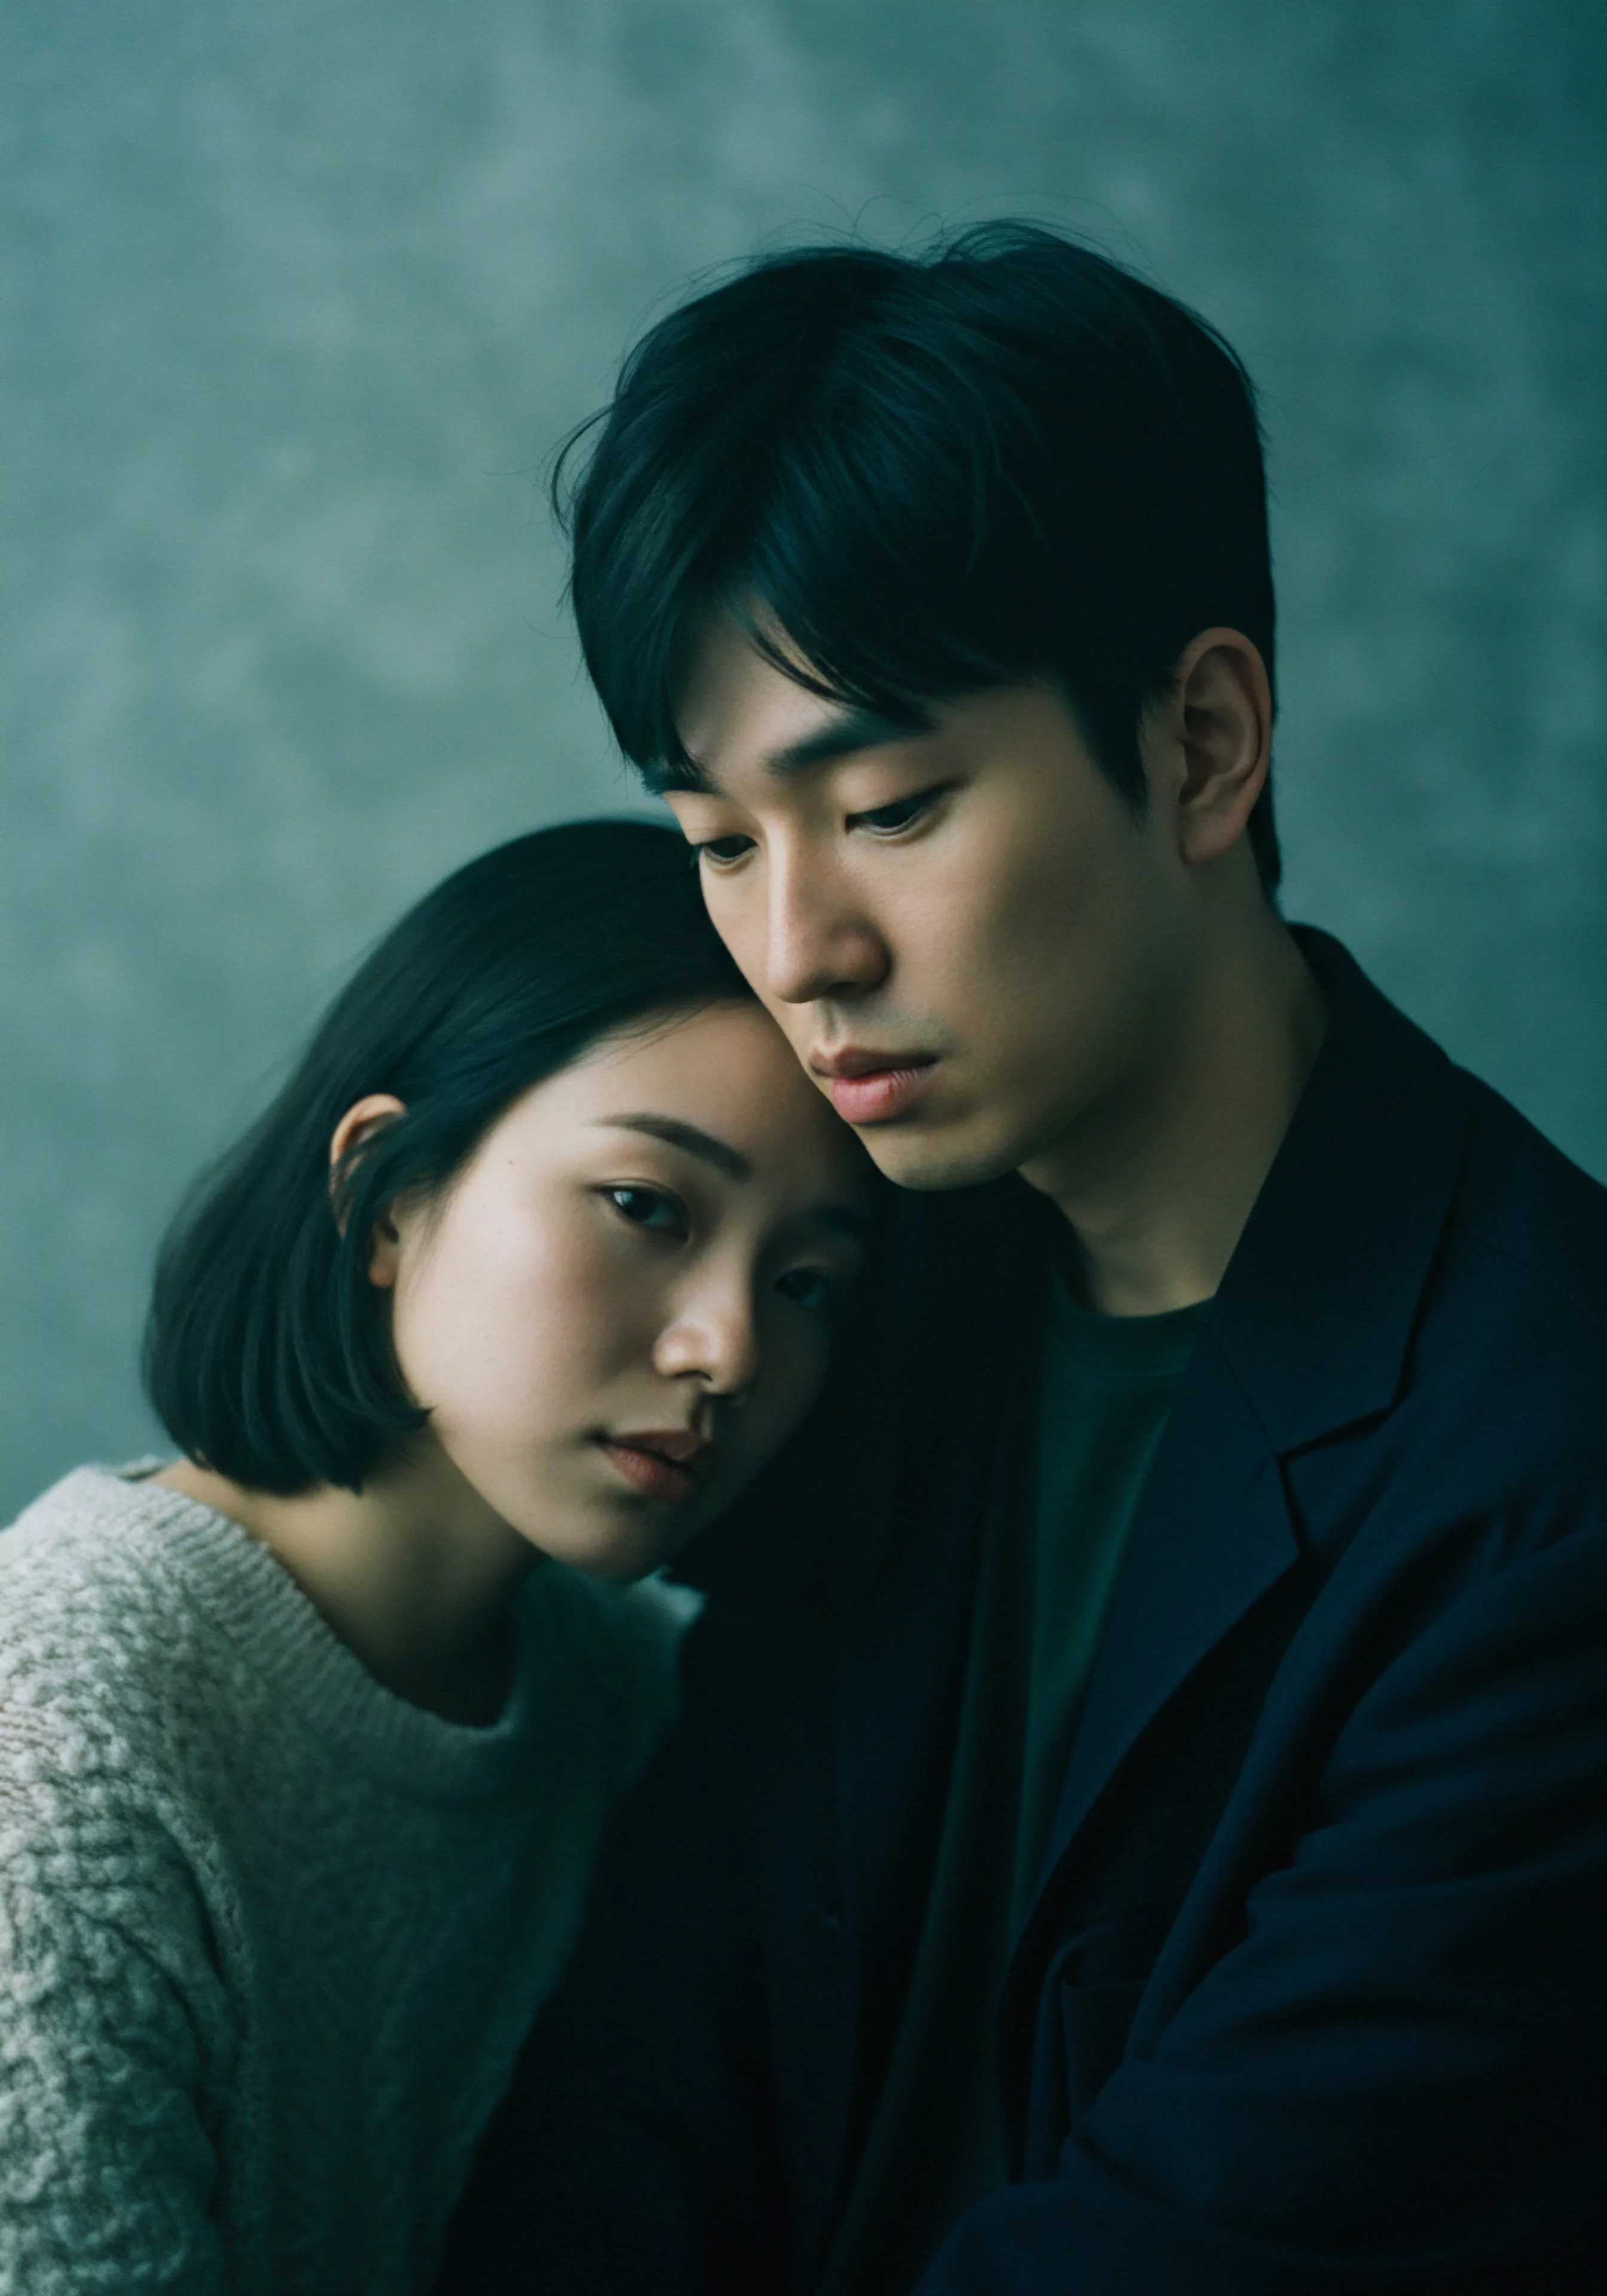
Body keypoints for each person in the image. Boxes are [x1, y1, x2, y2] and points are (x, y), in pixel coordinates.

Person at [437, 228, 1607, 2293]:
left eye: (882, 808)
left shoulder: (1545, 1458)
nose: (796, 953)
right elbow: (630, 2109)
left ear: (1201, 744)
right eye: (718, 841)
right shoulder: (826, 1303)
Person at [0, 819, 878, 2295]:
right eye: (646, 1207)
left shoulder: (633, 1705)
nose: (728, 1348)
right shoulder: (59, 1740)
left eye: (807, 1282)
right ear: (388, 1197)